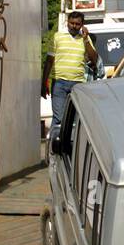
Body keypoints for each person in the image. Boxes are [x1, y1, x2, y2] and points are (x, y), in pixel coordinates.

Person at [42, 10, 98, 144]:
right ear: (67, 22)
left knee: (75, 120)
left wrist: (85, 39)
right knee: (59, 119)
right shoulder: (57, 37)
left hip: (78, 84)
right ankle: (54, 150)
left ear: (82, 25)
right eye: (71, 23)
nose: (74, 26)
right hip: (59, 83)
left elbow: (94, 59)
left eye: (77, 24)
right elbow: (49, 61)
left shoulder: (85, 39)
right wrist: (44, 83)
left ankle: (71, 149)